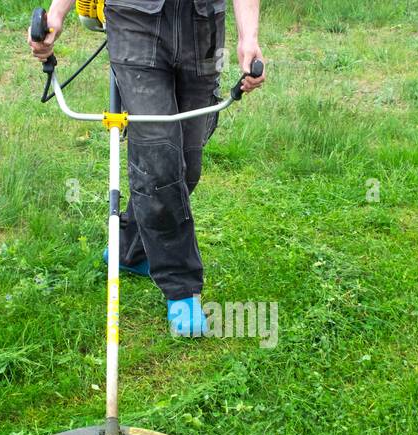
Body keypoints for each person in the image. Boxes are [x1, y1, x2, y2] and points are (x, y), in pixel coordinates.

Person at [29, 0, 265, 337]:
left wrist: (248, 37)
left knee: (186, 164)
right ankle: (181, 289)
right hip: (134, 19)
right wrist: (55, 15)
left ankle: (129, 249)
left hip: (202, 24)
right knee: (159, 159)